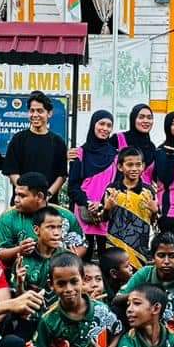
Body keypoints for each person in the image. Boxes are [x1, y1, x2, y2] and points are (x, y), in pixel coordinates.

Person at [0, 172, 85, 263]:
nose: (16, 200)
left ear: (39, 196)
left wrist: (67, 261)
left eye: (22, 196)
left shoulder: (65, 216)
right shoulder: (7, 218)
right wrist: (19, 250)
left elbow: (81, 246)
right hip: (20, 273)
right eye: (16, 194)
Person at [67, 109, 118, 255]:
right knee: (83, 257)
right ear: (93, 125)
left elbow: (117, 185)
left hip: (106, 212)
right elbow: (73, 186)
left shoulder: (115, 155)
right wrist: (88, 203)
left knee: (107, 258)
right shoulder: (79, 154)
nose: (105, 128)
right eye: (101, 124)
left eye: (109, 125)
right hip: (83, 212)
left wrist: (101, 204)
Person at [117, 232, 174, 331]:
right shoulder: (145, 273)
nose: (166, 261)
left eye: (172, 256)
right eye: (161, 255)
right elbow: (117, 299)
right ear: (153, 258)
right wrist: (143, 294)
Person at [103, 146, 158, 267]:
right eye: (129, 165)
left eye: (138, 165)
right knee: (115, 274)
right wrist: (107, 209)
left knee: (138, 277)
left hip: (140, 249)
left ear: (143, 166)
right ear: (120, 167)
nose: (134, 169)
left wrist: (154, 211)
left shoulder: (149, 191)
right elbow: (104, 219)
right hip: (115, 246)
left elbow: (154, 222)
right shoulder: (112, 190)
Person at [4, 91, 67, 195]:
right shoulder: (18, 139)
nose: (35, 115)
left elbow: (62, 175)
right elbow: (12, 171)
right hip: (21, 200)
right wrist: (25, 193)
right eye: (32, 111)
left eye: (40, 111)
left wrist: (47, 195)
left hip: (47, 201)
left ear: (49, 113)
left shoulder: (58, 142)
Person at [116, 102, 157, 181]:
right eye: (141, 117)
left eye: (149, 118)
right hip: (121, 188)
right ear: (133, 119)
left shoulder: (151, 146)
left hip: (145, 188)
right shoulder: (118, 139)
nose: (146, 121)